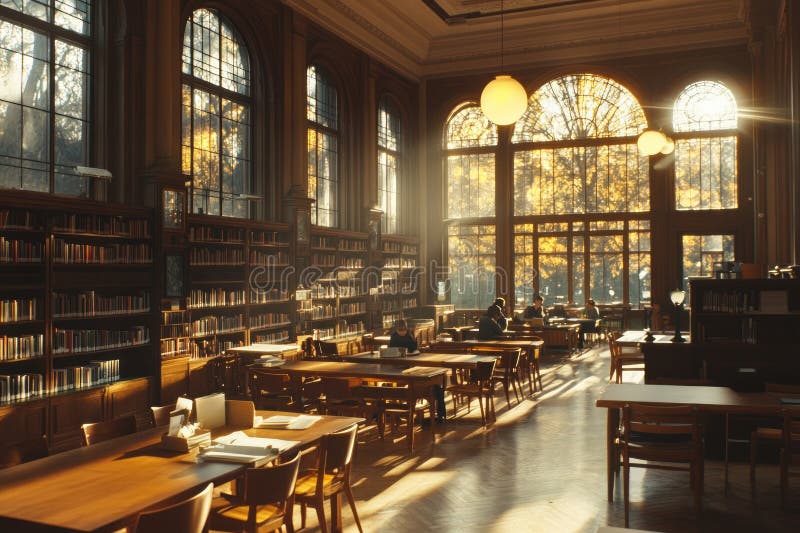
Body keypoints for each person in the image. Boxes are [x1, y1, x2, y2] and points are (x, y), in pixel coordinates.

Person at [389, 319, 446, 422]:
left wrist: (414, 352)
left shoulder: (409, 336)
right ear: (396, 329)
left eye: (403, 329)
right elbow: (391, 350)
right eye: (400, 329)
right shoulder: (394, 337)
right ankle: (401, 410)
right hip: (397, 364)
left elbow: (415, 348)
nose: (402, 331)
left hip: (410, 363)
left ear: (406, 328)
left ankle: (406, 409)